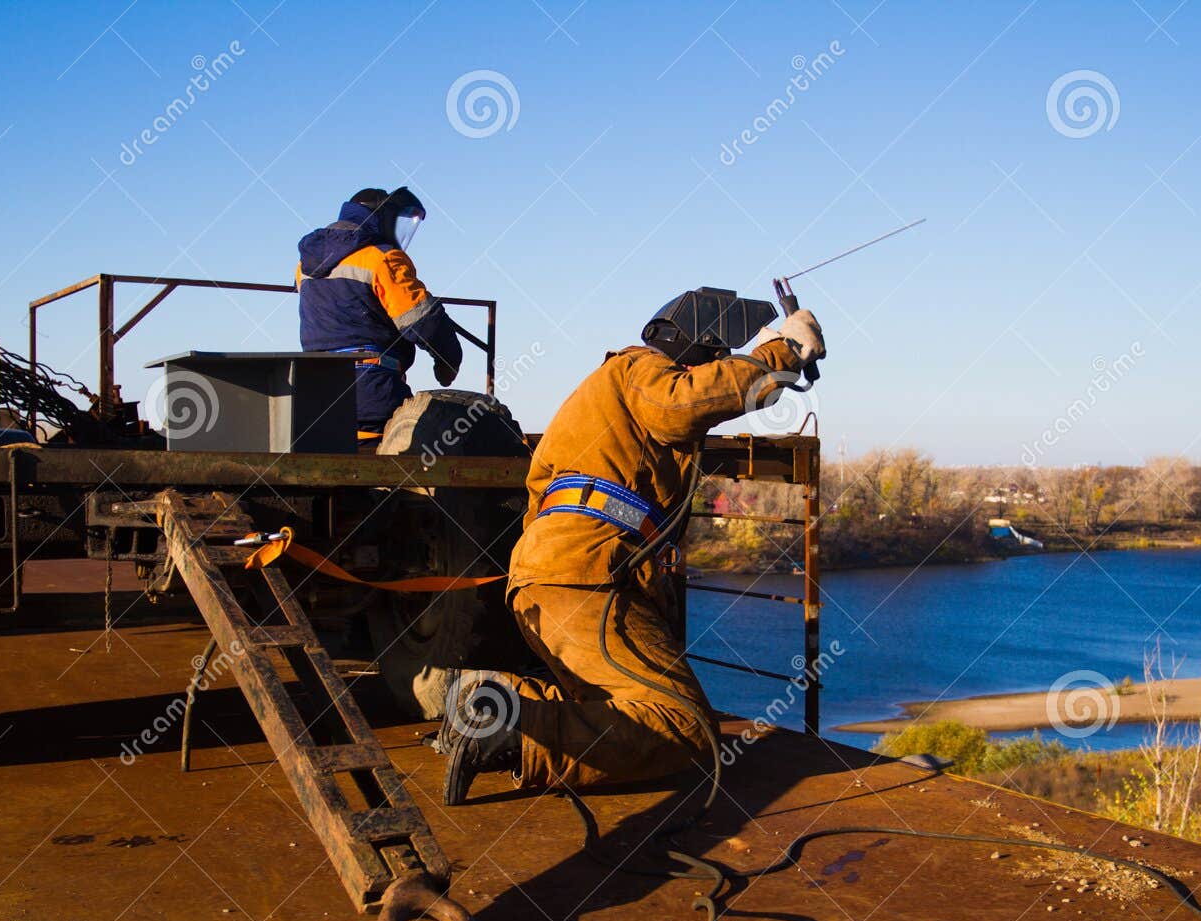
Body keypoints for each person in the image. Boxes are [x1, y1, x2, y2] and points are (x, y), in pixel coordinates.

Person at [439, 290, 825, 804]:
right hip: (582, 577)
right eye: (717, 361)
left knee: (610, 704)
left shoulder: (602, 401)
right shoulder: (640, 370)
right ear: (698, 352)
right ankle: (504, 731)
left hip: (556, 574)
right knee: (684, 724)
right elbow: (681, 404)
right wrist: (778, 355)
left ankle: (490, 707)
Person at [296, 186, 463, 436]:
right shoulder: (382, 259)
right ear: (380, 218)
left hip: (315, 395)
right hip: (371, 393)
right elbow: (424, 322)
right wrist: (449, 360)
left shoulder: (304, 266)